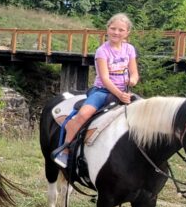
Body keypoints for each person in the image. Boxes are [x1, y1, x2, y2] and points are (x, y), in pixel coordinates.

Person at [53, 13, 139, 169]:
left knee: (144, 112)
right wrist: (119, 95)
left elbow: (134, 72)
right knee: (83, 114)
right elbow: (105, 79)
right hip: (102, 91)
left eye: (121, 30)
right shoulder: (102, 51)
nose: (116, 33)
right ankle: (65, 151)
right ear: (107, 29)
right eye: (113, 28)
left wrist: (132, 80)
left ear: (127, 33)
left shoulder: (130, 49)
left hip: (124, 91)